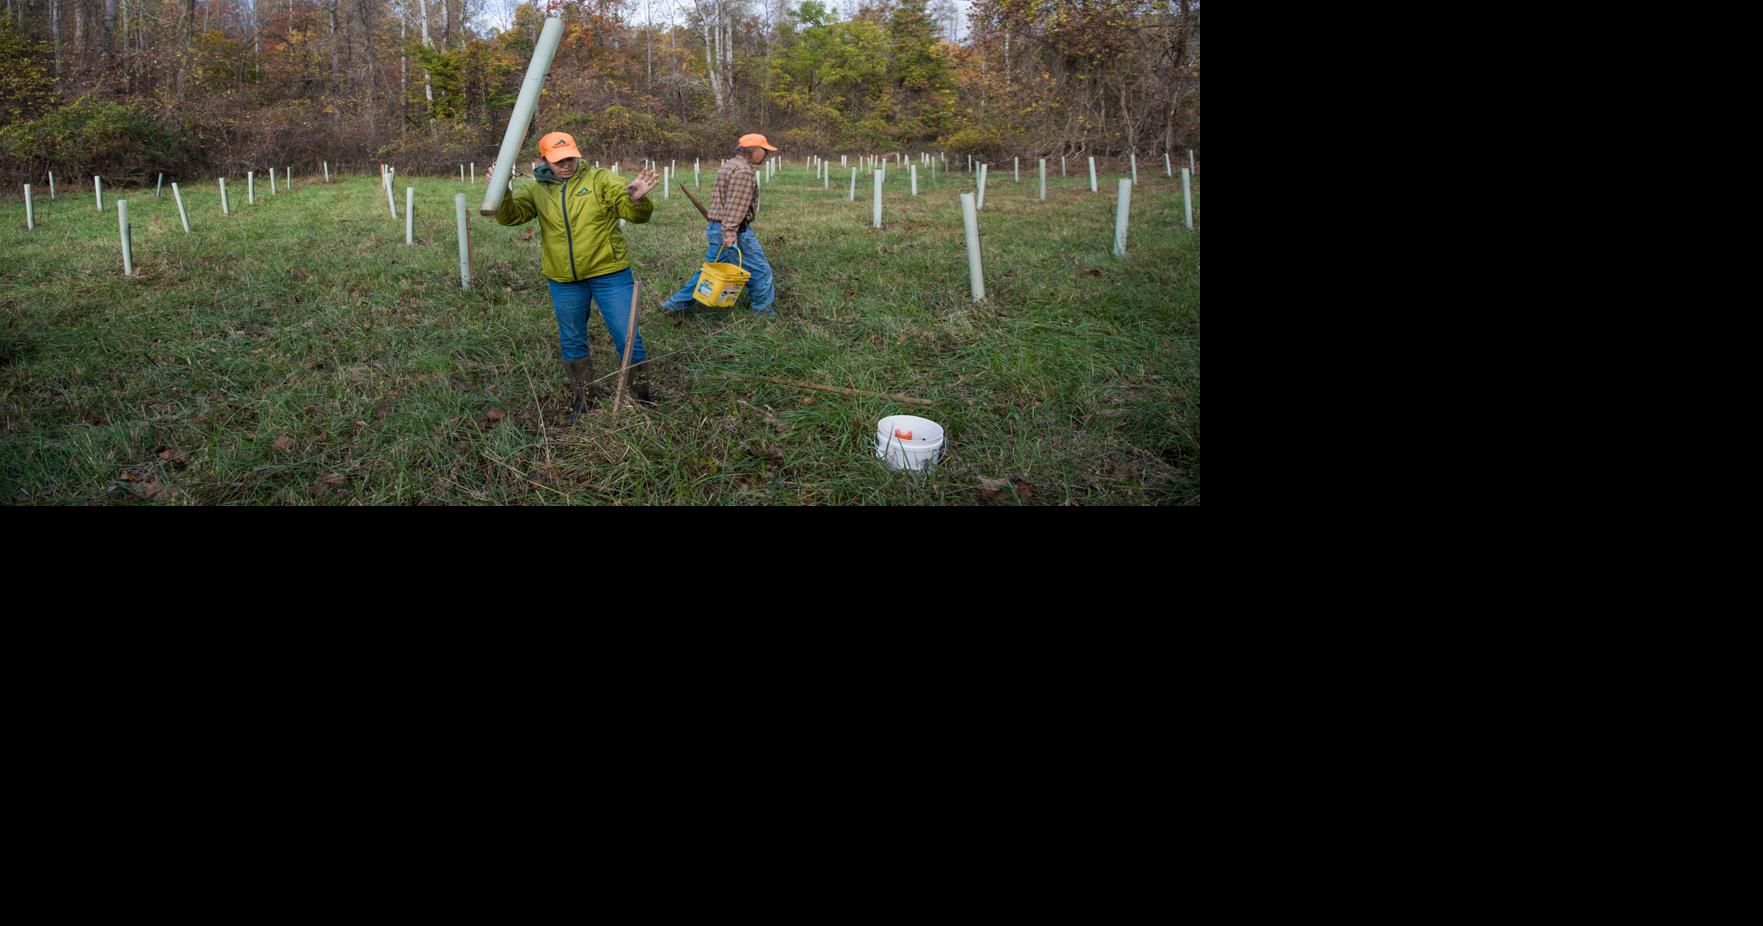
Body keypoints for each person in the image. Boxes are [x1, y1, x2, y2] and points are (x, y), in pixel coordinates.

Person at [495, 131, 660, 416]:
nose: (567, 164)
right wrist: (502, 191)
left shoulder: (601, 180)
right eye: (559, 160)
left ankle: (642, 396)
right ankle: (583, 399)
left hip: (610, 273)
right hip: (564, 279)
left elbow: (634, 213)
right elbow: (511, 217)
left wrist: (636, 200)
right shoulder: (538, 189)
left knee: (627, 334)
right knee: (572, 339)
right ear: (544, 159)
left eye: (571, 158)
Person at [659, 133, 777, 317]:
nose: (767, 155)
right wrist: (730, 232)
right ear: (754, 150)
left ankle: (673, 306)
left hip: (717, 227)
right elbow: (736, 205)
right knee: (761, 271)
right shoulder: (744, 171)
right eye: (765, 150)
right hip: (733, 231)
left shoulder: (729, 165)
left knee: (708, 273)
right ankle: (763, 313)